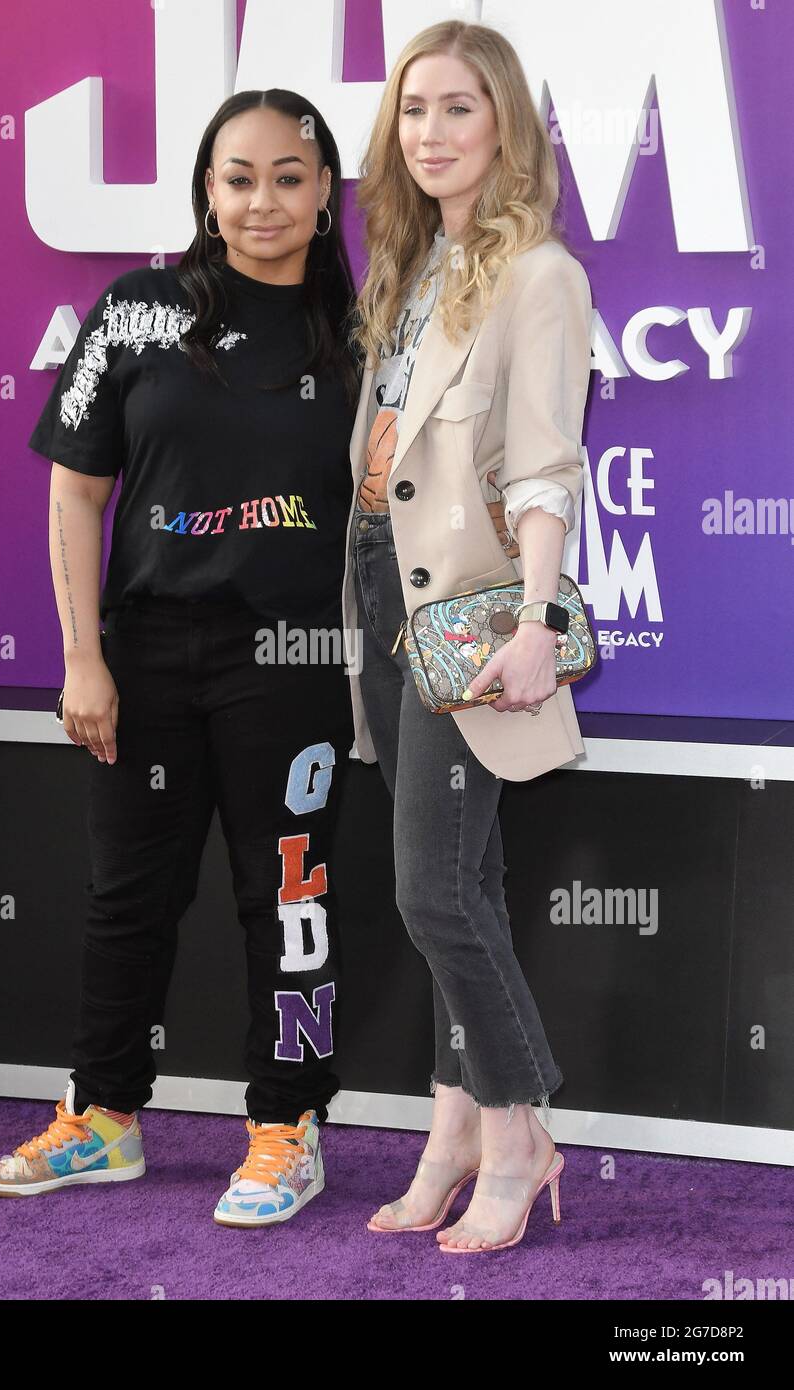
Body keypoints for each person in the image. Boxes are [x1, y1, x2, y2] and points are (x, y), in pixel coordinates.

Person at [0, 89, 361, 1227]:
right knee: (125, 897)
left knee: (289, 891)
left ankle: (288, 1127)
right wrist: (80, 656)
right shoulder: (137, 309)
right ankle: (103, 1119)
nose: (262, 201)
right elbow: (76, 488)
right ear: (205, 188)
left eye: (288, 176)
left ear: (326, 188)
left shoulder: (368, 325)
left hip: (291, 658)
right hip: (144, 652)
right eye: (237, 177)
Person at [342, 20, 593, 1251]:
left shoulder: (536, 273)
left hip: (470, 614)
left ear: (503, 125)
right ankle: (451, 1127)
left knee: (434, 890)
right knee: (465, 882)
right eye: (413, 109)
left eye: (457, 108)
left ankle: (517, 1130)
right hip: (382, 590)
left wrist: (541, 622)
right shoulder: (411, 261)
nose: (430, 133)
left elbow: (548, 465)